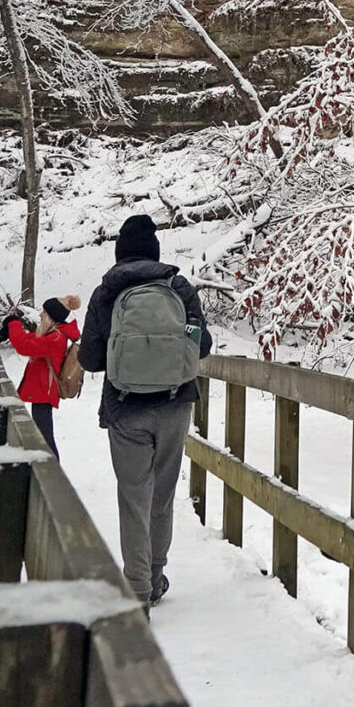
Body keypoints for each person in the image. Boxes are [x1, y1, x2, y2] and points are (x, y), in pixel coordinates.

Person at [77, 213, 212, 612]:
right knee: (163, 497)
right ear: (155, 251)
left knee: (134, 498)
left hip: (125, 410)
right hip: (175, 405)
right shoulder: (178, 286)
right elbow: (201, 346)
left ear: (120, 252)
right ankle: (155, 577)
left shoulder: (107, 291)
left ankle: (136, 591)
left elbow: (89, 357)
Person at [1, 295, 82, 459]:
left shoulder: (56, 338)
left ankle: (53, 476)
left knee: (44, 439)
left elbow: (24, 346)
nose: (40, 315)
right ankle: (51, 474)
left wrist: (13, 323)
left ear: (52, 316)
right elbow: (29, 339)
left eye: (44, 312)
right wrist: (11, 328)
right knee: (43, 437)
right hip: (43, 391)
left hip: (45, 391)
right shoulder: (54, 335)